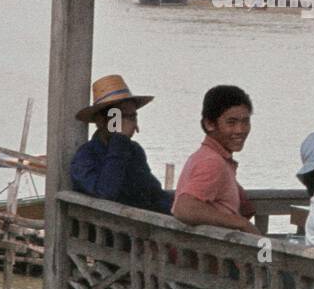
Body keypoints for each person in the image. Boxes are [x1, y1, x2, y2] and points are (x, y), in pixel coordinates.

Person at [69, 74, 171, 213]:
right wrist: (120, 141)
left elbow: (153, 194)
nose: (128, 123)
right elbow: (106, 194)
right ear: (101, 120)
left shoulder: (134, 151)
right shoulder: (86, 156)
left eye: (132, 117)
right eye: (121, 117)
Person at [171, 85, 258, 234]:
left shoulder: (206, 156)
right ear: (209, 124)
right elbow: (184, 208)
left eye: (245, 121)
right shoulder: (212, 162)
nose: (240, 130)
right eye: (231, 122)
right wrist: (240, 223)